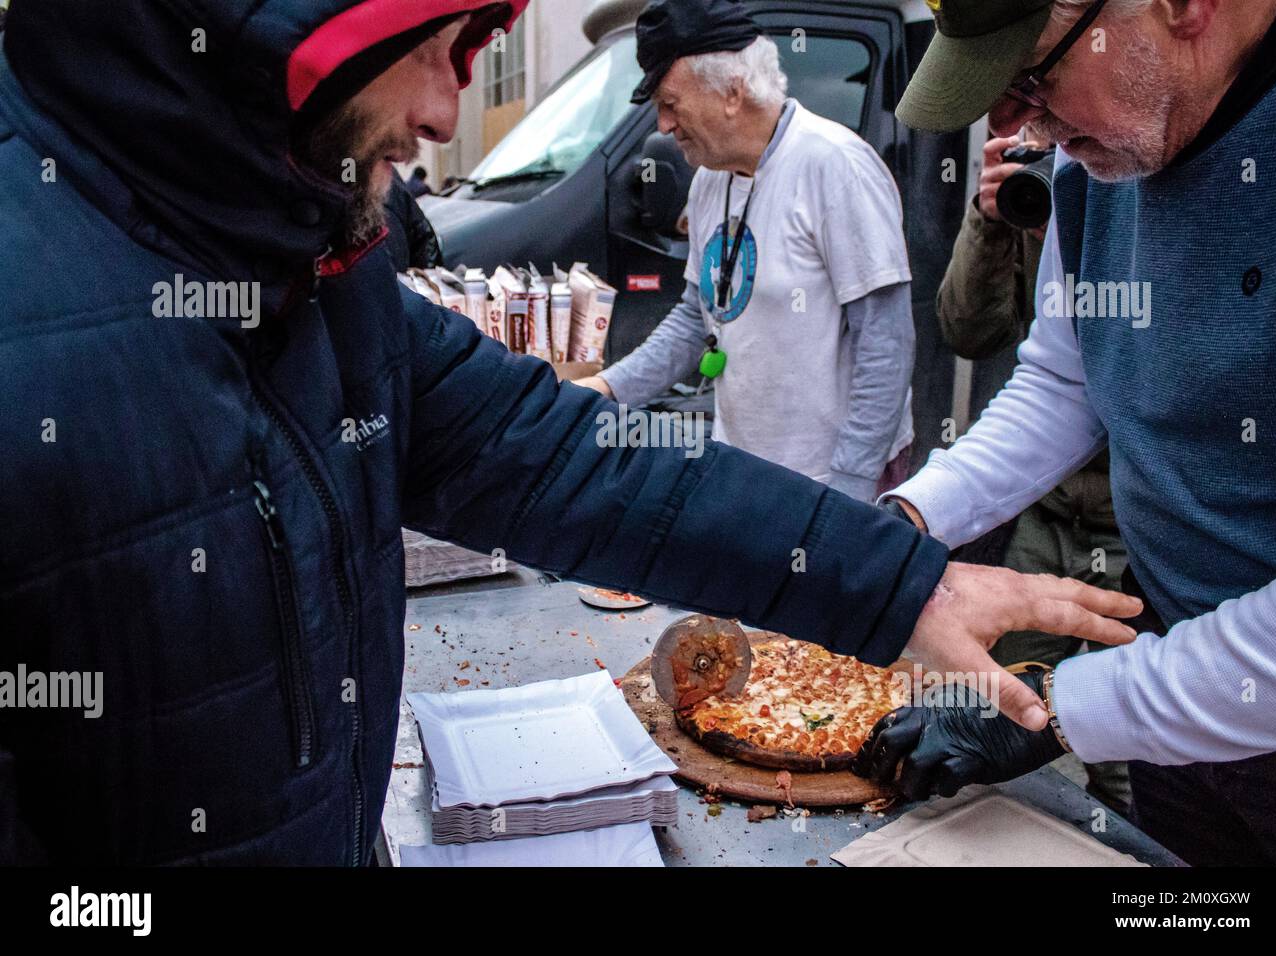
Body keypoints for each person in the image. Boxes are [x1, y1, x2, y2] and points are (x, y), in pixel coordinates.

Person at [0, 0, 1137, 864]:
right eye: (434, 48)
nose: (447, 115)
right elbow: (684, 333)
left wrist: (898, 577)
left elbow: (565, 457)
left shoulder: (325, 274)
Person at [863, 0, 1276, 865]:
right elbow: (1067, 381)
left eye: (1033, 76)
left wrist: (1065, 706)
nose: (1019, 124)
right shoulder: (1097, 154)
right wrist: (908, 519)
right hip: (1170, 670)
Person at [576, 0, 915, 502]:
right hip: (744, 465)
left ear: (732, 92)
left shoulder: (836, 165)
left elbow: (885, 344)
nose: (663, 125)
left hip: (830, 480)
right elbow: (695, 320)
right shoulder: (709, 179)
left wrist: (852, 489)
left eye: (671, 103)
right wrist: (606, 389)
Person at [936, 131, 1129, 813]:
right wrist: (991, 222)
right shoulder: (1031, 200)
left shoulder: (1126, 182)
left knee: (1124, 748)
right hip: (1046, 516)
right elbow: (967, 331)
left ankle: (1123, 844)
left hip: (1134, 530)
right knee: (1008, 705)